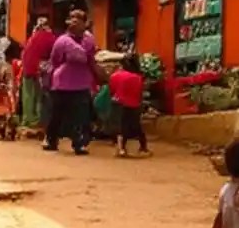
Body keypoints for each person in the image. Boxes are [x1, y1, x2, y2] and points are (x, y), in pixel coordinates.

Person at [45, 10, 98, 155]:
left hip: (81, 83)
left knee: (81, 117)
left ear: (84, 23)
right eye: (72, 19)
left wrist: (97, 79)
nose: (74, 22)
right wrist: (49, 79)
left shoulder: (89, 41)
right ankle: (51, 140)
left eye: (78, 20)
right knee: (56, 115)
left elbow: (91, 60)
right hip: (62, 83)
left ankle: (79, 144)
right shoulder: (62, 41)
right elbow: (55, 60)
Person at [109, 54, 148, 157]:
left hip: (118, 103)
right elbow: (139, 94)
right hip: (133, 105)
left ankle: (121, 148)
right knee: (137, 127)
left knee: (121, 127)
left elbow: (112, 90)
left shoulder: (115, 75)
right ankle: (143, 147)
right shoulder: (138, 78)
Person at [21, 17, 55, 129]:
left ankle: (27, 118)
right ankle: (37, 120)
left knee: (28, 94)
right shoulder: (50, 37)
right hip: (38, 68)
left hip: (27, 67)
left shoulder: (33, 35)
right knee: (39, 95)